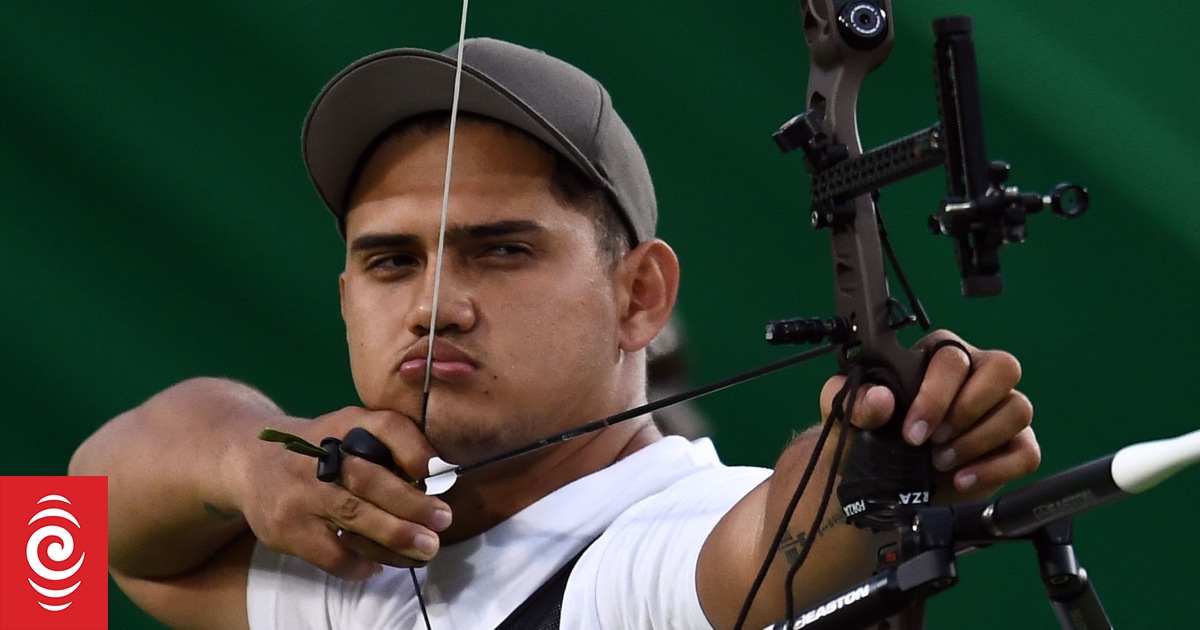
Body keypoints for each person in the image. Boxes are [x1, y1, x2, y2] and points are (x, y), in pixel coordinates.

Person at [70, 38, 1038, 630]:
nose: (433, 303)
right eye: (391, 260)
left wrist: (880, 449)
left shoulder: (654, 551)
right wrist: (247, 463)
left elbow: (771, 553)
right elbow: (49, 543)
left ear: (640, 297)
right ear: (345, 296)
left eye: (500, 251)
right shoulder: (367, 561)